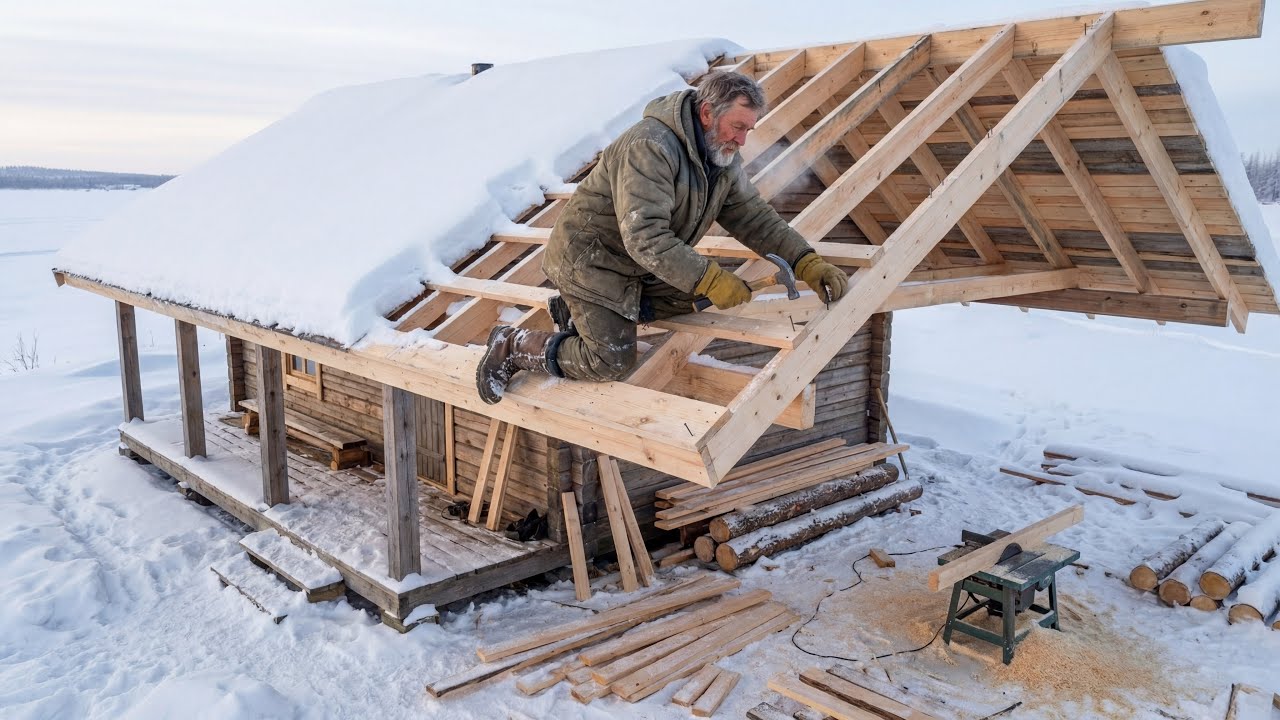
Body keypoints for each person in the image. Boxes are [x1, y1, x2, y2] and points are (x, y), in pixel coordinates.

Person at [475, 71, 848, 404]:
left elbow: (754, 218)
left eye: (749, 129)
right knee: (611, 360)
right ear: (706, 114)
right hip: (591, 261)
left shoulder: (721, 158)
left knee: (697, 293)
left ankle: (579, 314)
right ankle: (513, 345)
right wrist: (710, 276)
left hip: (636, 264)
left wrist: (805, 261)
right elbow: (645, 235)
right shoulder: (650, 146)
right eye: (738, 126)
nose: (743, 139)